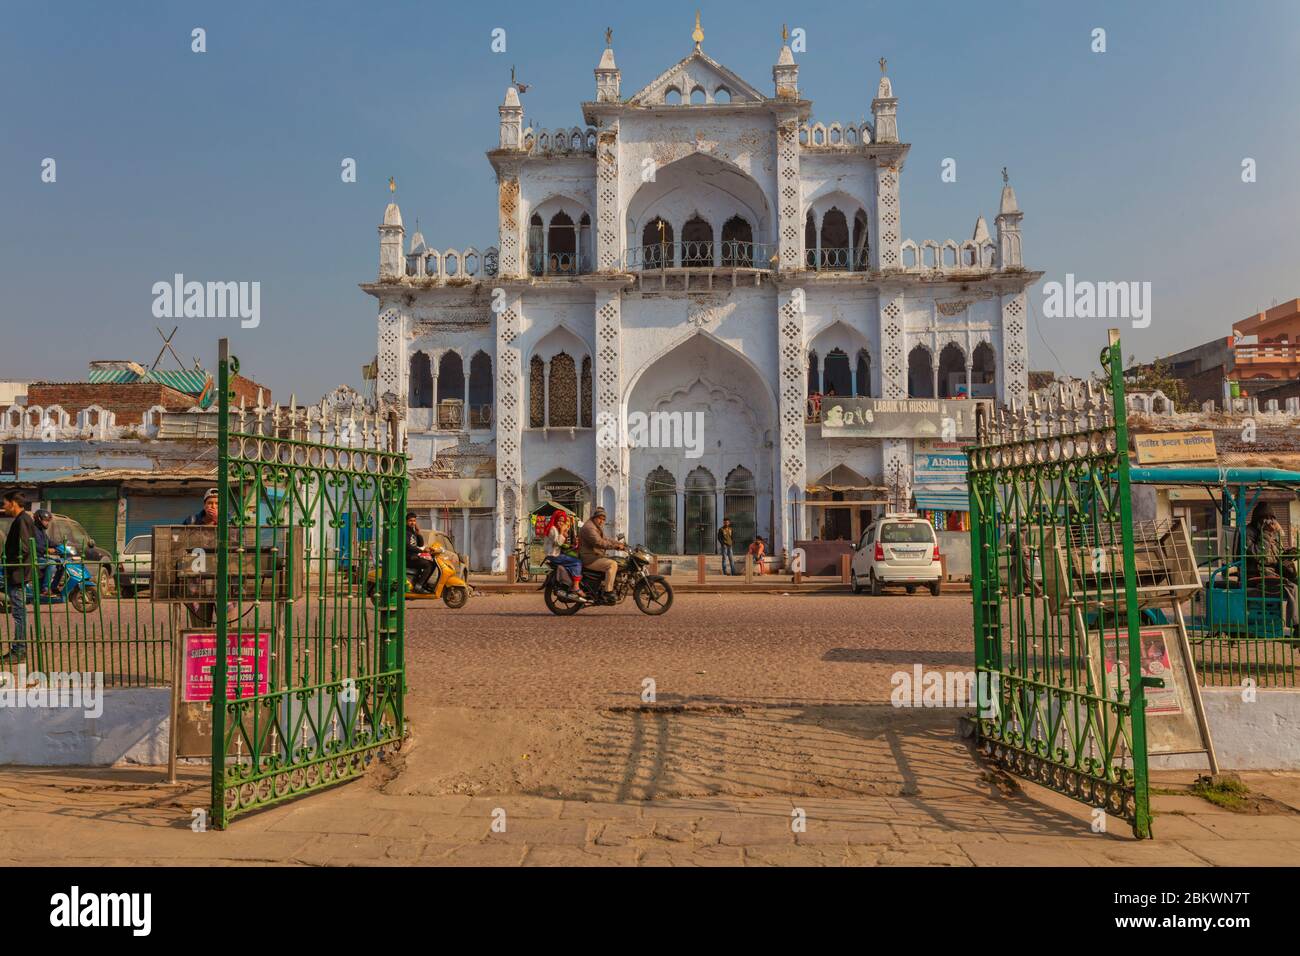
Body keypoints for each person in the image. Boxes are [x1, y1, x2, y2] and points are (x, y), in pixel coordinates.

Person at [1245, 502, 1298, 631]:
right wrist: (1266, 534)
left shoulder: (1271, 534)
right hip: (1258, 575)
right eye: (1266, 519)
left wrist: (1287, 554)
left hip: (1272, 573)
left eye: (1272, 519)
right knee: (1293, 587)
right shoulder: (1249, 532)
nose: (1270, 522)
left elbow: (1275, 557)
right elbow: (1258, 555)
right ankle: (1296, 624)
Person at [2, 490, 35, 662]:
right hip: (18, 573)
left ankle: (19, 650)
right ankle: (18, 649)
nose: (4, 506)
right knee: (19, 612)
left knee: (19, 613)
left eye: (5, 502)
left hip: (18, 573)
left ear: (13, 503)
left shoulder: (22, 520)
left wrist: (9, 560)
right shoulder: (24, 519)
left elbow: (25, 548)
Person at [578, 507, 623, 602]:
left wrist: (619, 544)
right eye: (600, 518)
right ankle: (608, 592)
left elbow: (606, 539)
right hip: (589, 558)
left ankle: (604, 587)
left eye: (603, 519)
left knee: (616, 561)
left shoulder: (595, 527)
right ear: (594, 517)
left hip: (595, 556)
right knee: (612, 564)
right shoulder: (589, 528)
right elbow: (599, 542)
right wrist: (615, 547)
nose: (601, 521)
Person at [543, 511, 589, 603]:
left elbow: (562, 544)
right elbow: (558, 543)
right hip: (554, 556)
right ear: (555, 520)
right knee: (577, 562)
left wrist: (567, 536)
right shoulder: (552, 529)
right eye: (559, 520)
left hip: (557, 553)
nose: (561, 523)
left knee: (576, 557)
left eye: (563, 521)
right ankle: (576, 586)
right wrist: (561, 531)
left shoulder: (556, 529)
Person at [405, 512, 436, 593]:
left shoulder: (413, 531)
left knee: (433, 563)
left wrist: (418, 532)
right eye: (410, 521)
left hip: (414, 557)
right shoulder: (405, 532)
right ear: (406, 521)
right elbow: (407, 546)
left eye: (414, 521)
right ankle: (418, 586)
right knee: (427, 565)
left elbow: (420, 544)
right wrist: (422, 551)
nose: (413, 523)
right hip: (408, 558)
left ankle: (423, 583)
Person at [33, 509, 58, 597]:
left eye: (48, 521)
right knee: (51, 563)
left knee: (60, 562)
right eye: (46, 520)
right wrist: (47, 550)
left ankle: (54, 586)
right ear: (39, 519)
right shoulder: (34, 530)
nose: (47, 523)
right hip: (34, 559)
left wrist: (59, 545)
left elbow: (48, 541)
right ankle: (45, 588)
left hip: (40, 557)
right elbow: (36, 546)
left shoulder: (41, 530)